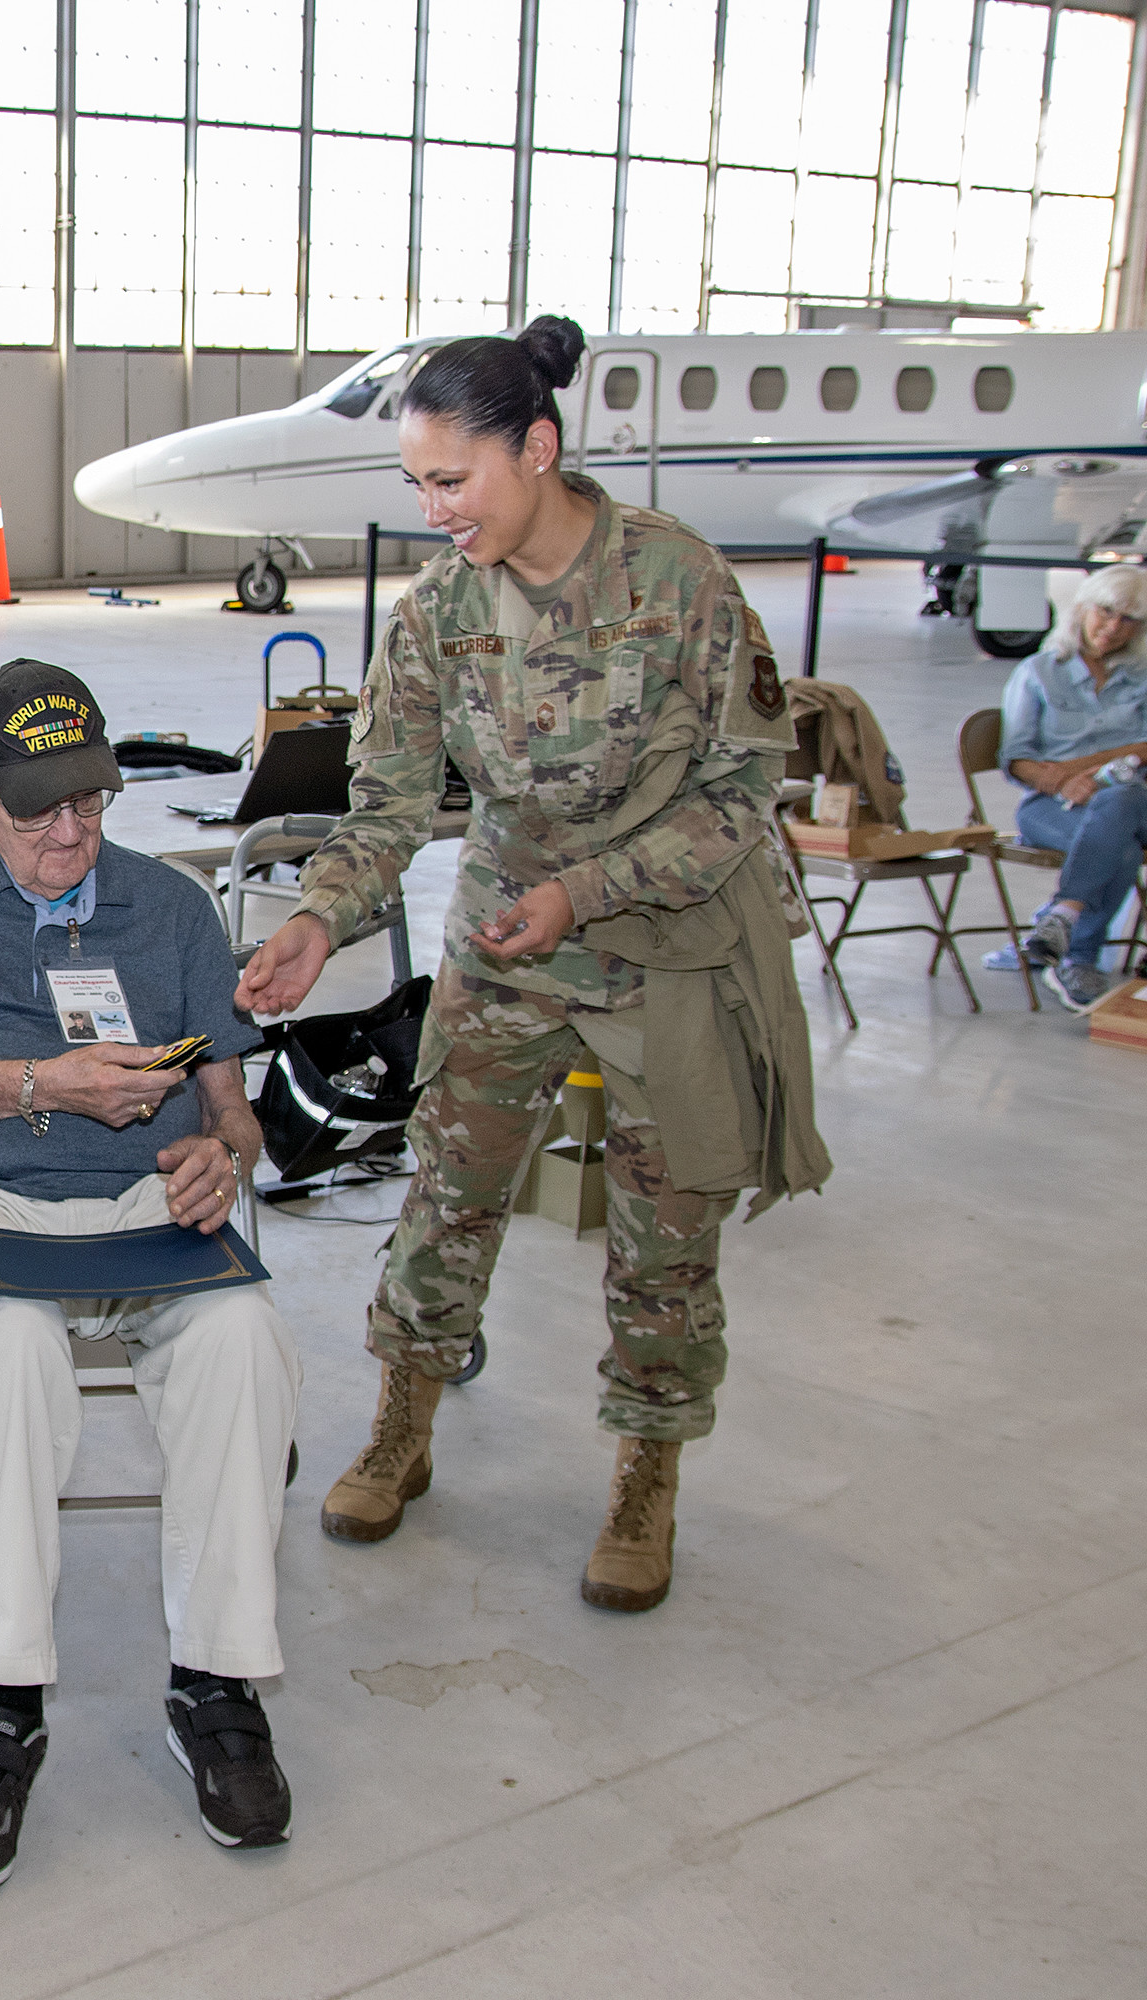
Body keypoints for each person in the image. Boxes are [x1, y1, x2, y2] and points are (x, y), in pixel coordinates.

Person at [237, 315, 827, 1618]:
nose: (436, 508)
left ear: (539, 449)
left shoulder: (679, 582)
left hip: (667, 942)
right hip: (508, 939)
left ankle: (645, 1481)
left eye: (454, 480)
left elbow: (745, 790)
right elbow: (385, 806)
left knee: (667, 1227)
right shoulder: (441, 611)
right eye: (418, 485)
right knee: (447, 1187)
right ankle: (402, 1428)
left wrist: (590, 888)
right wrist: (316, 922)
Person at [0, 661, 299, 1890]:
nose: (72, 833)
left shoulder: (171, 906)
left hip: (138, 1196)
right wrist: (34, 1082)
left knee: (241, 1330)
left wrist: (215, 1158)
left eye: (92, 801)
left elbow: (233, 1109)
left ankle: (217, 1678)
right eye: (38, 811)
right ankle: (1, 1698)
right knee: (17, 1347)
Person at [1001, 563, 1147, 1013]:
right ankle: (1077, 954)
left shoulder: (1142, 676)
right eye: (1106, 612)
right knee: (1119, 837)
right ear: (1082, 608)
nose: (1113, 628)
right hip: (1051, 808)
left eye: (1129, 620)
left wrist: (1087, 771)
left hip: (1129, 802)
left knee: (1120, 803)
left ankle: (1062, 922)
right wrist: (1065, 781)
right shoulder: (1039, 670)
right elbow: (1016, 759)